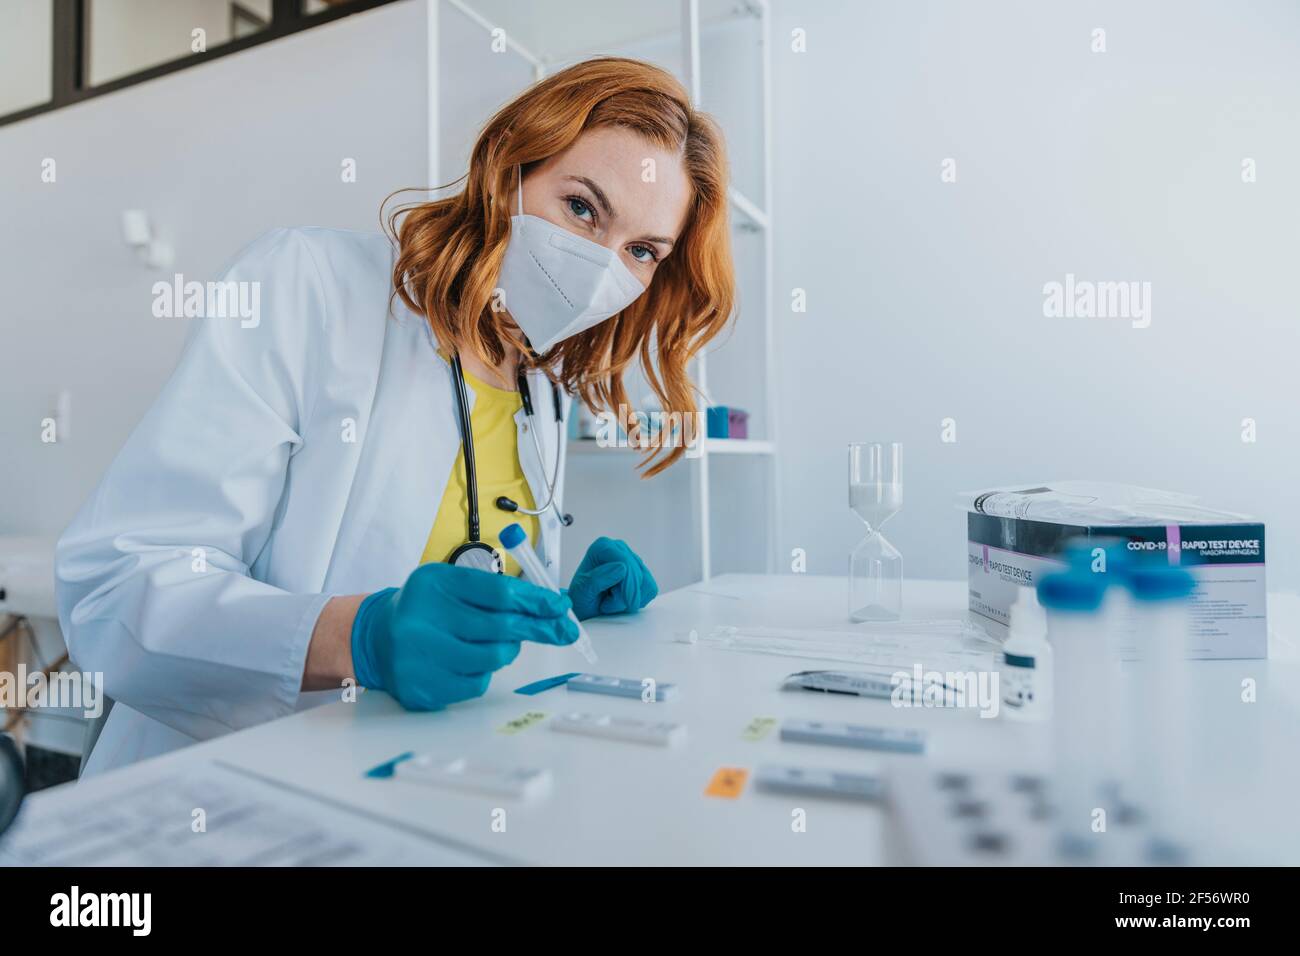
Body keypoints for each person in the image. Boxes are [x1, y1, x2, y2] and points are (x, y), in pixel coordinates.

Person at [55, 57, 736, 775]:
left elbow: (450, 586)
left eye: (640, 250)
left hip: (422, 787)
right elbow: (117, 589)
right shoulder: (310, 287)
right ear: (508, 166)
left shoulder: (541, 388)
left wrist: (548, 614)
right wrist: (363, 639)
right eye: (582, 207)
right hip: (216, 795)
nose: (600, 266)